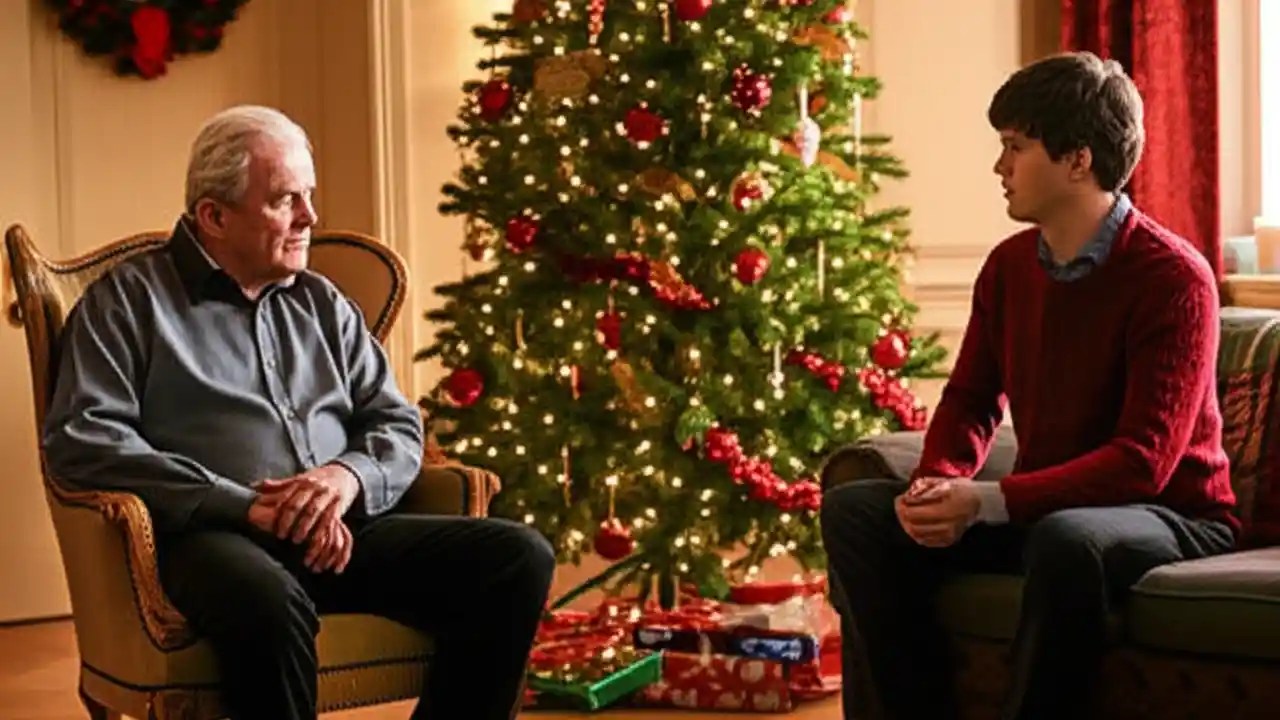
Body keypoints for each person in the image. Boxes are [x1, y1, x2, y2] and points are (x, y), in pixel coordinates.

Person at [42, 105, 555, 720]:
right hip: (212, 538)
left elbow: (394, 423)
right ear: (214, 215)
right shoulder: (128, 302)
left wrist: (344, 480)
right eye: (287, 199)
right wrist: (244, 504)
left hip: (341, 531)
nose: (311, 217)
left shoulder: (324, 303)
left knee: (518, 558)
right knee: (265, 600)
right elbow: (83, 438)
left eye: (309, 196)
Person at [820, 51, 1238, 720]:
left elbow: (1143, 463)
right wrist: (937, 483)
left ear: (1077, 160)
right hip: (1050, 509)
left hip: (1175, 517)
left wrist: (986, 501)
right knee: (859, 512)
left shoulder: (1173, 279)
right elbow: (970, 399)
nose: (1000, 167)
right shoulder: (1009, 268)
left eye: (1015, 146)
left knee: (1068, 539)